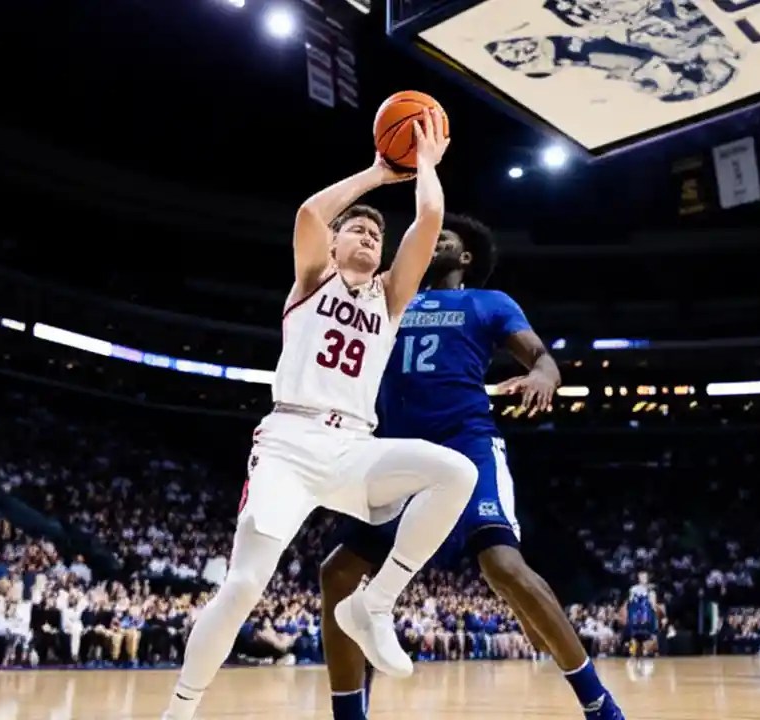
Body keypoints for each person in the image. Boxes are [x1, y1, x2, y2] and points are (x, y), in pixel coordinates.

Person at [161, 110, 473, 720]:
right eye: (355, 231)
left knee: (456, 473)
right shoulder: (313, 280)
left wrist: (428, 166)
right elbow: (308, 214)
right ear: (334, 244)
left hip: (354, 447)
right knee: (245, 585)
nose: (367, 238)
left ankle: (375, 604)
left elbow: (429, 219)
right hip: (289, 441)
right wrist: (379, 175)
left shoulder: (389, 298)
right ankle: (181, 707)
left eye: (374, 237)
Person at [319, 214, 626, 720]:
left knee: (503, 566)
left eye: (444, 239)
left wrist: (544, 377)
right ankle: (349, 715)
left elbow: (542, 357)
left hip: (466, 441)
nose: (431, 240)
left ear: (465, 258)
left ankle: (598, 702)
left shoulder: (488, 302)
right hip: (395, 447)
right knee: (339, 573)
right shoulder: (388, 294)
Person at [623, 570, 659, 676]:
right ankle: (638, 661)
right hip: (636, 618)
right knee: (637, 640)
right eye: (641, 576)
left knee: (646, 640)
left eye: (645, 577)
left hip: (646, 617)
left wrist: (655, 618)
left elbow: (653, 605)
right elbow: (629, 603)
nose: (643, 578)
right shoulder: (633, 589)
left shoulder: (651, 591)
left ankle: (642, 661)